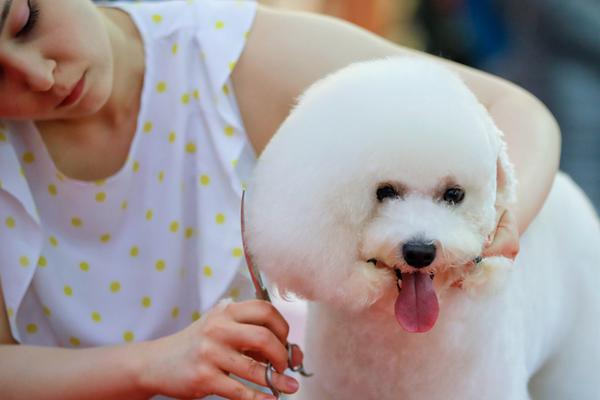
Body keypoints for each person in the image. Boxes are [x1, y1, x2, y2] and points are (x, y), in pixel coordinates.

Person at [0, 0, 559, 399]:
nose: (39, 76)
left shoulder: (225, 50)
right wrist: (152, 365)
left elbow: (513, 110)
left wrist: (500, 233)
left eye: (25, 22)